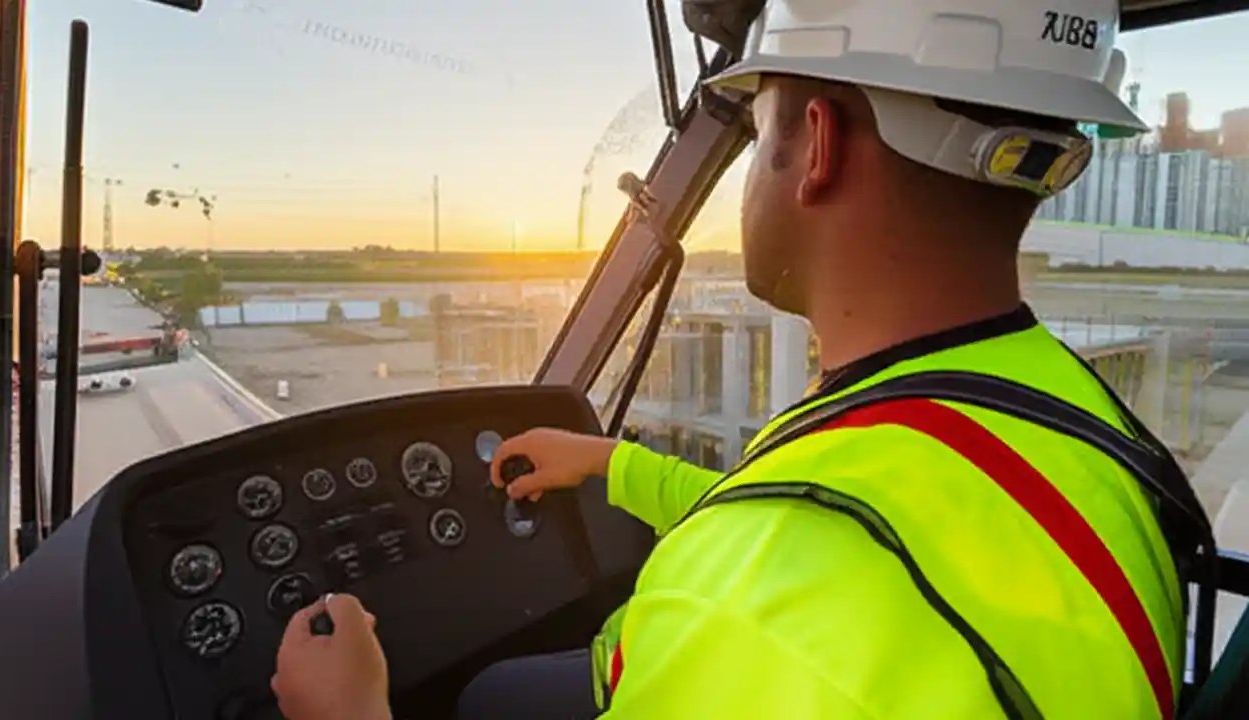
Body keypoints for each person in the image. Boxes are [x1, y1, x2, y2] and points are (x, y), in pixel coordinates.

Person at [272, 0, 1196, 717]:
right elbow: (824, 510)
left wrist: (350, 713)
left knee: (478, 698)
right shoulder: (1060, 412)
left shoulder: (749, 614)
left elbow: (786, 561)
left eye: (757, 135)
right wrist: (613, 465)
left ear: (819, 146)